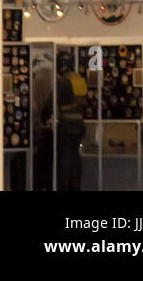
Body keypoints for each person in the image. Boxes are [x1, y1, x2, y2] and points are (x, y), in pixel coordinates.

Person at [55, 51, 87, 191]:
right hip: (79, 125)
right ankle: (75, 187)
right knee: (75, 156)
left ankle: (65, 187)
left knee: (65, 159)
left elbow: (52, 102)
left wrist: (44, 116)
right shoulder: (79, 79)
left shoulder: (63, 81)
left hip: (66, 126)